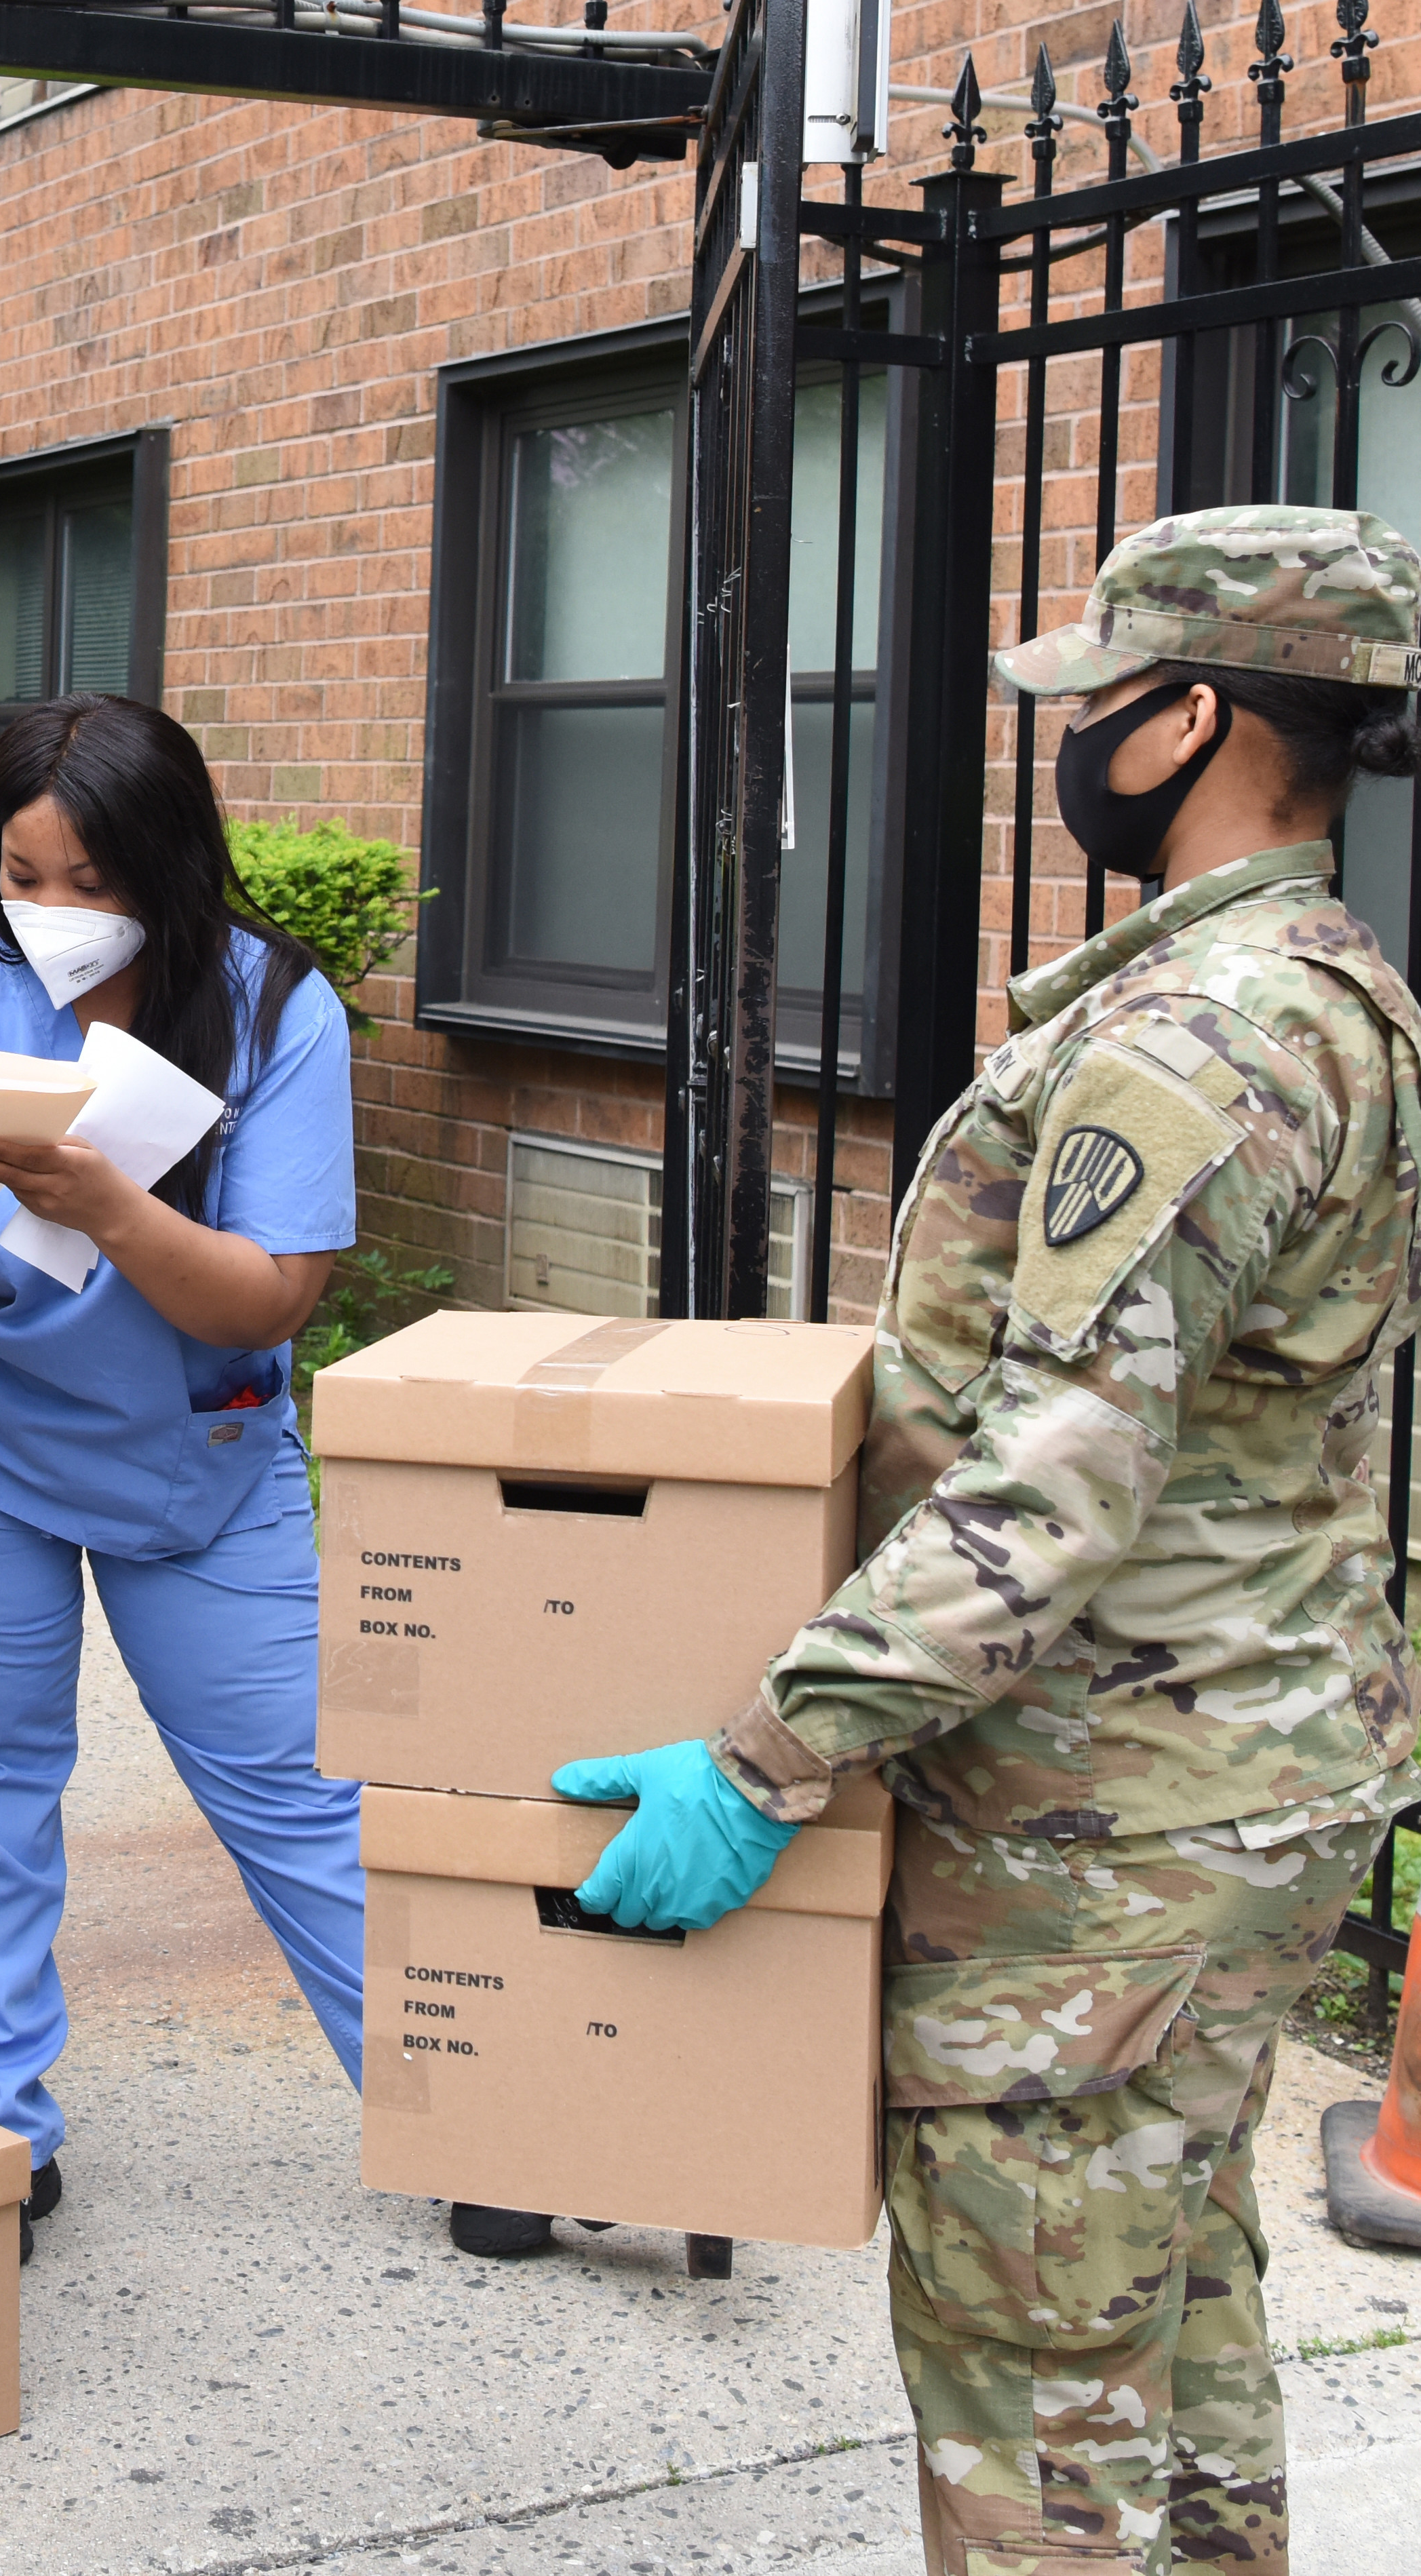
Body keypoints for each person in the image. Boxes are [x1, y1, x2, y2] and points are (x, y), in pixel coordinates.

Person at [554, 505, 1421, 2575]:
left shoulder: (1192, 1041)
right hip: (1247, 1783)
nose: (1074, 738)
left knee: (1035, 2390)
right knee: (1165, 2323)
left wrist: (774, 1750)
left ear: (1192, 712)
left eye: (1099, 699)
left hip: (1104, 1836)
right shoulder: (1331, 994)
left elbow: (1055, 1472)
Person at [0, 693, 369, 2257]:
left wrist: (106, 1200)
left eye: (89, 880)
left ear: (167, 864)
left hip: (191, 1464)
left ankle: (458, 2100)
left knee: (294, 1787)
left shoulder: (276, 1010)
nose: (51, 915)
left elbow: (266, 1299)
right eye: (22, 874)